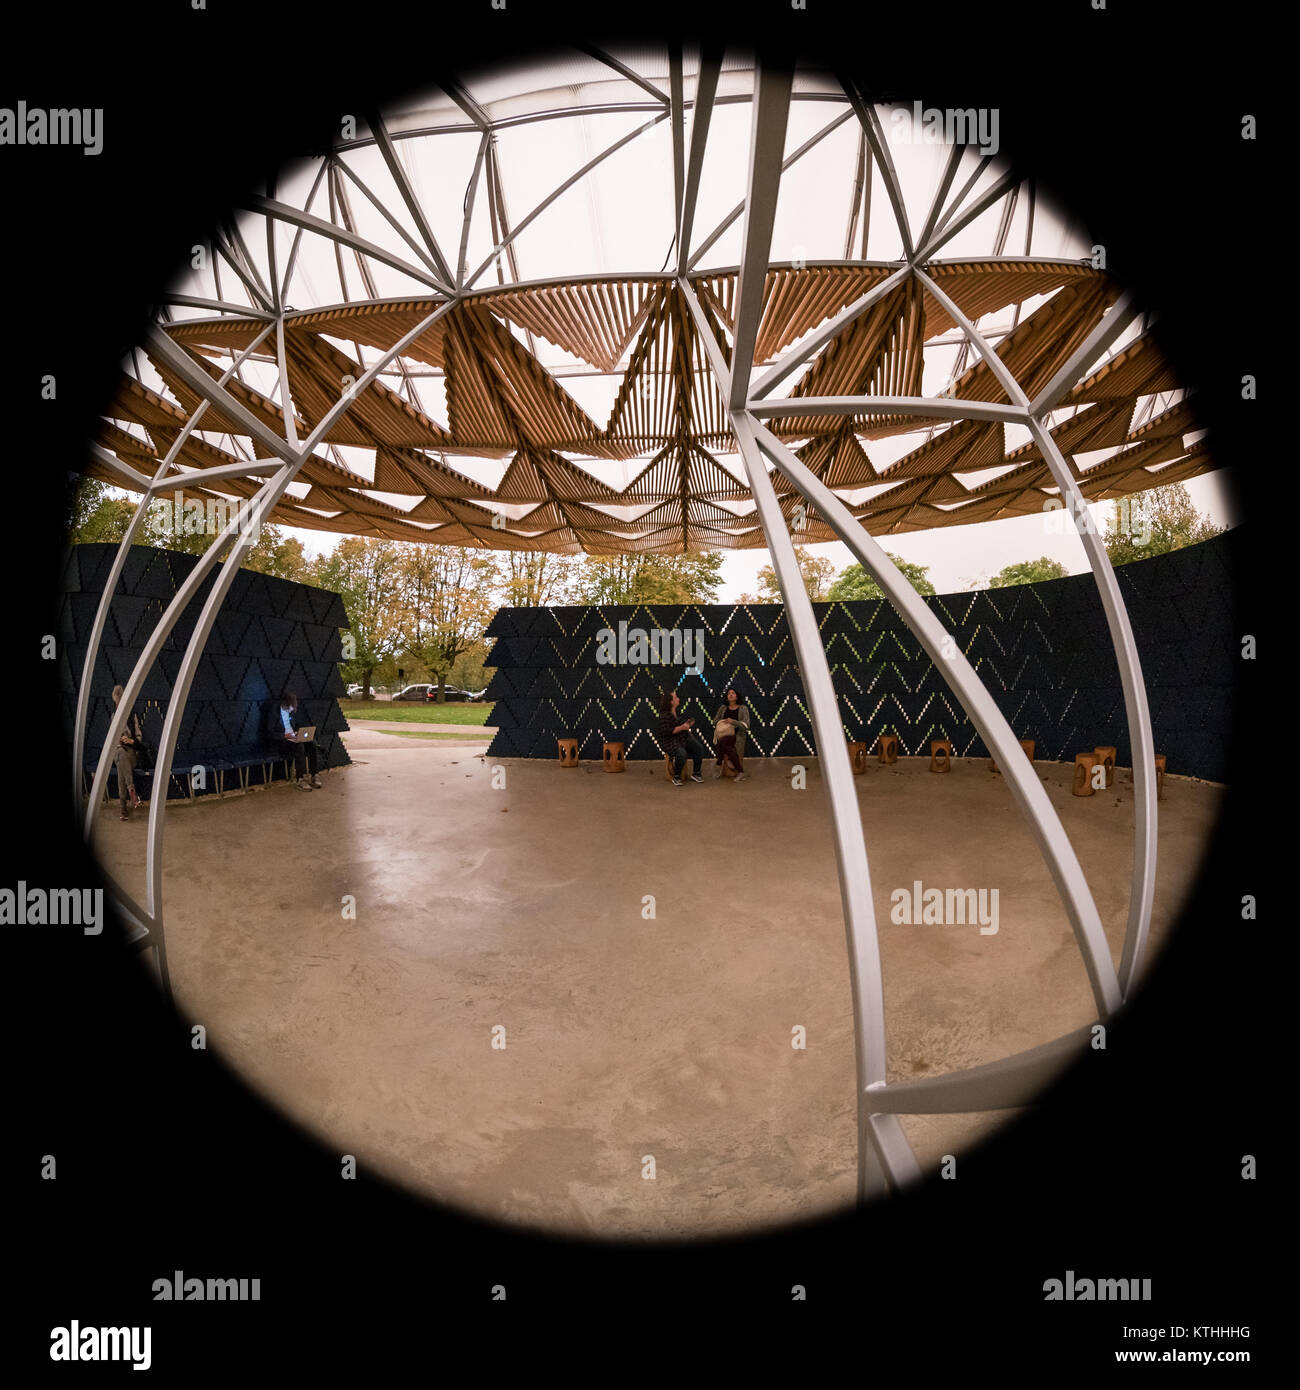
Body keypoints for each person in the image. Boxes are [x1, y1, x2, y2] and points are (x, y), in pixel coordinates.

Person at [268, 690, 321, 790]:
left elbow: (294, 726)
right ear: (284, 703)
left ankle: (314, 774)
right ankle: (300, 779)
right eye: (289, 708)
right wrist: (286, 736)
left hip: (292, 740)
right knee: (299, 746)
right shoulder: (274, 714)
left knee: (312, 744)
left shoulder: (291, 713)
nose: (291, 710)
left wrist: (297, 733)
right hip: (281, 743)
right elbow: (270, 733)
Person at [657, 688, 710, 786]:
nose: (678, 699)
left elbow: (680, 726)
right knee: (682, 753)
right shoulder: (664, 716)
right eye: (676, 697)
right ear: (671, 702)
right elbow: (667, 731)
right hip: (669, 741)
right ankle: (676, 776)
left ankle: (696, 773)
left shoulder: (676, 712)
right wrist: (682, 727)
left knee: (698, 748)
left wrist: (687, 724)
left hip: (681, 738)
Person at [110, 685, 144, 821]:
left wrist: (130, 740)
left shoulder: (132, 716)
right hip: (118, 750)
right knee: (119, 754)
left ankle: (123, 808)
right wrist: (117, 739)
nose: (118, 705)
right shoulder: (113, 716)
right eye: (117, 703)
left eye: (120, 702)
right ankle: (132, 791)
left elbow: (139, 738)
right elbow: (110, 740)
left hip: (131, 752)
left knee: (121, 764)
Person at [712, 685, 750, 782]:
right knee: (726, 746)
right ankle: (741, 772)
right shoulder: (723, 708)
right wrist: (724, 721)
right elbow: (715, 721)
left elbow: (746, 725)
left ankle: (718, 764)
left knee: (723, 743)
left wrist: (733, 722)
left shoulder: (743, 708)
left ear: (737, 696)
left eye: (733, 693)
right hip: (724, 734)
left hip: (737, 736)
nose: (731, 695)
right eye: (729, 693)